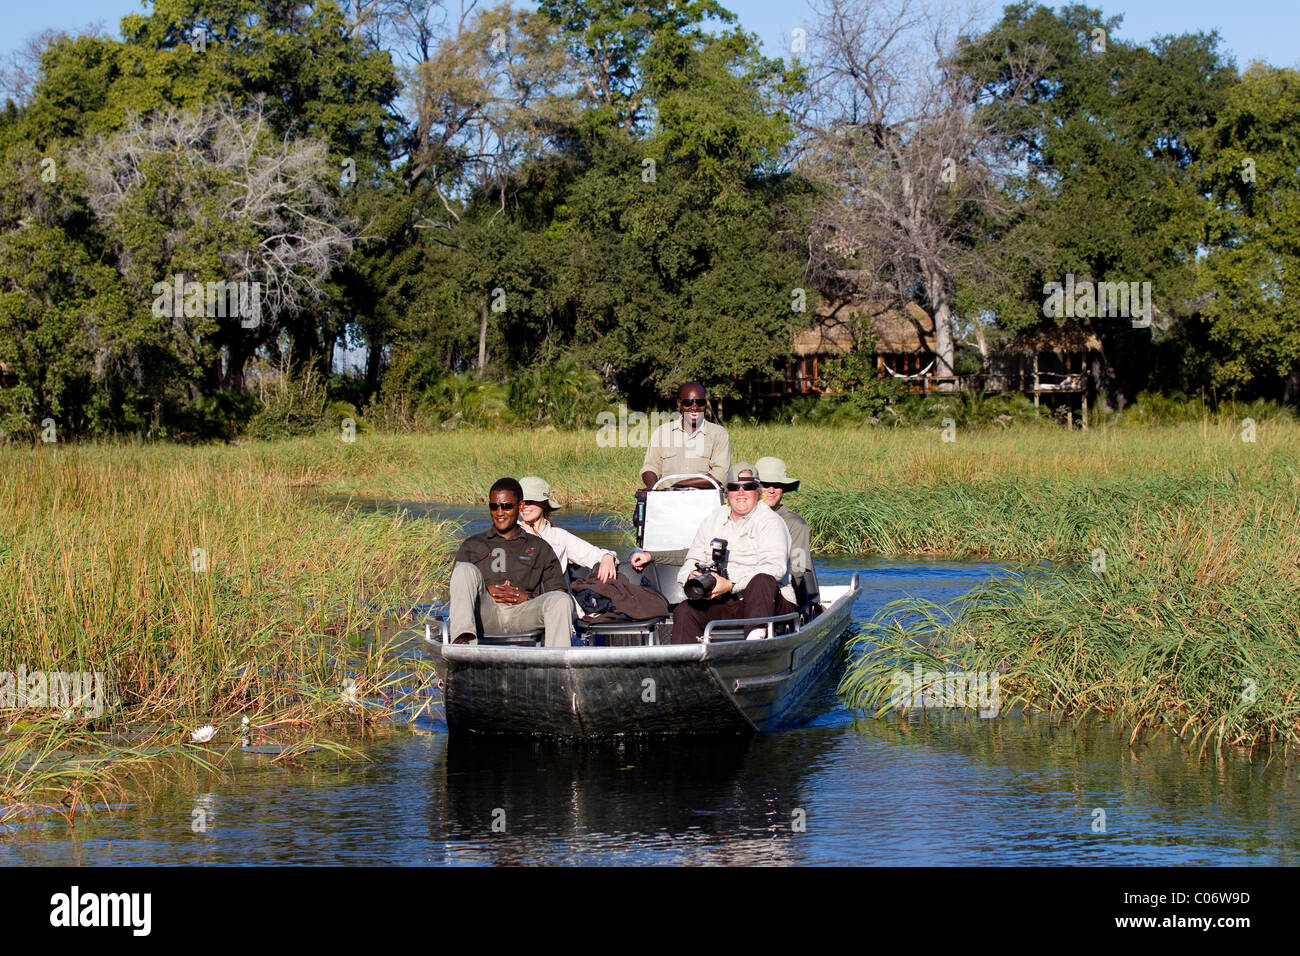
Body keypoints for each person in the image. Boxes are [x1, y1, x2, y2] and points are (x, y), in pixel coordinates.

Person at [670, 462, 797, 644]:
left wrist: (730, 584)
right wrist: (690, 576)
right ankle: (682, 664)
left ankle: (756, 644)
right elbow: (692, 560)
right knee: (685, 609)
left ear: (757, 491)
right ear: (727, 492)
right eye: (734, 487)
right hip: (725, 601)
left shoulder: (770, 521)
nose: (741, 492)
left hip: (769, 603)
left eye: (748, 486)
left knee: (763, 579)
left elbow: (775, 568)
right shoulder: (712, 520)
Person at [448, 477, 573, 647]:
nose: (500, 512)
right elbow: (458, 593)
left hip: (523, 615)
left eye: (507, 506)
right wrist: (484, 591)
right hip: (486, 614)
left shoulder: (539, 547)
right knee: (463, 570)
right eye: (494, 506)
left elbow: (558, 593)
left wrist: (526, 597)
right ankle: (462, 645)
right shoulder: (472, 545)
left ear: (520, 506)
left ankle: (557, 664)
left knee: (561, 600)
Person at [518, 476, 618, 582]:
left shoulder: (559, 536)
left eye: (528, 501)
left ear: (544, 503)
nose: (524, 506)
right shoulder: (511, 532)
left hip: (552, 595)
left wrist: (607, 557)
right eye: (520, 502)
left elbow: (592, 554)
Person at [640, 381, 730, 491]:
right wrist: (652, 489)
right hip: (668, 498)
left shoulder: (719, 434)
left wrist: (679, 485)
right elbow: (650, 467)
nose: (694, 407)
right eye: (688, 402)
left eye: (700, 402)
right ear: (679, 403)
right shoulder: (662, 432)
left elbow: (719, 475)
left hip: (705, 500)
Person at [755, 456, 811, 590]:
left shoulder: (796, 524)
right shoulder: (744, 518)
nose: (771, 490)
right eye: (766, 484)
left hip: (780, 589)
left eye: (777, 485)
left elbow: (798, 569)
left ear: (783, 489)